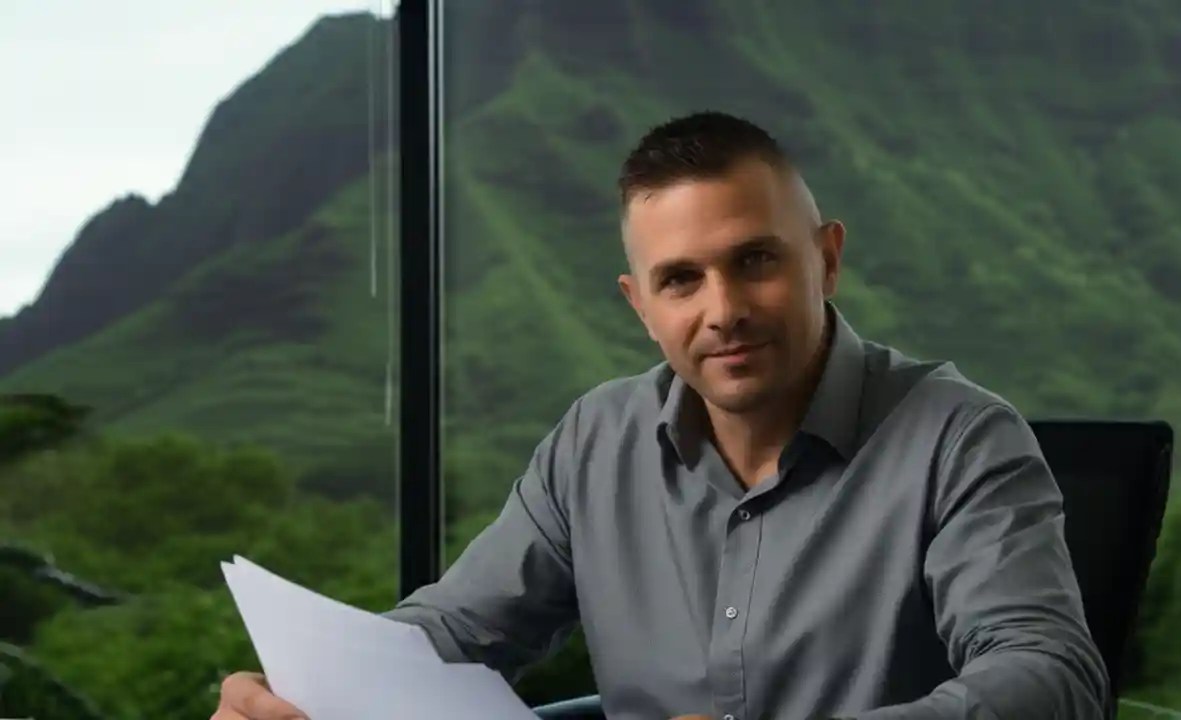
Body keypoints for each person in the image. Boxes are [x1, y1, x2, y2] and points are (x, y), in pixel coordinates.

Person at [213, 111, 1109, 720]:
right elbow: (454, 632)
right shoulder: (594, 442)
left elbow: (1051, 674)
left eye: (755, 260)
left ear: (826, 260)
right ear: (639, 304)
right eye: (681, 279)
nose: (723, 309)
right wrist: (299, 693)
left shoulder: (960, 435)